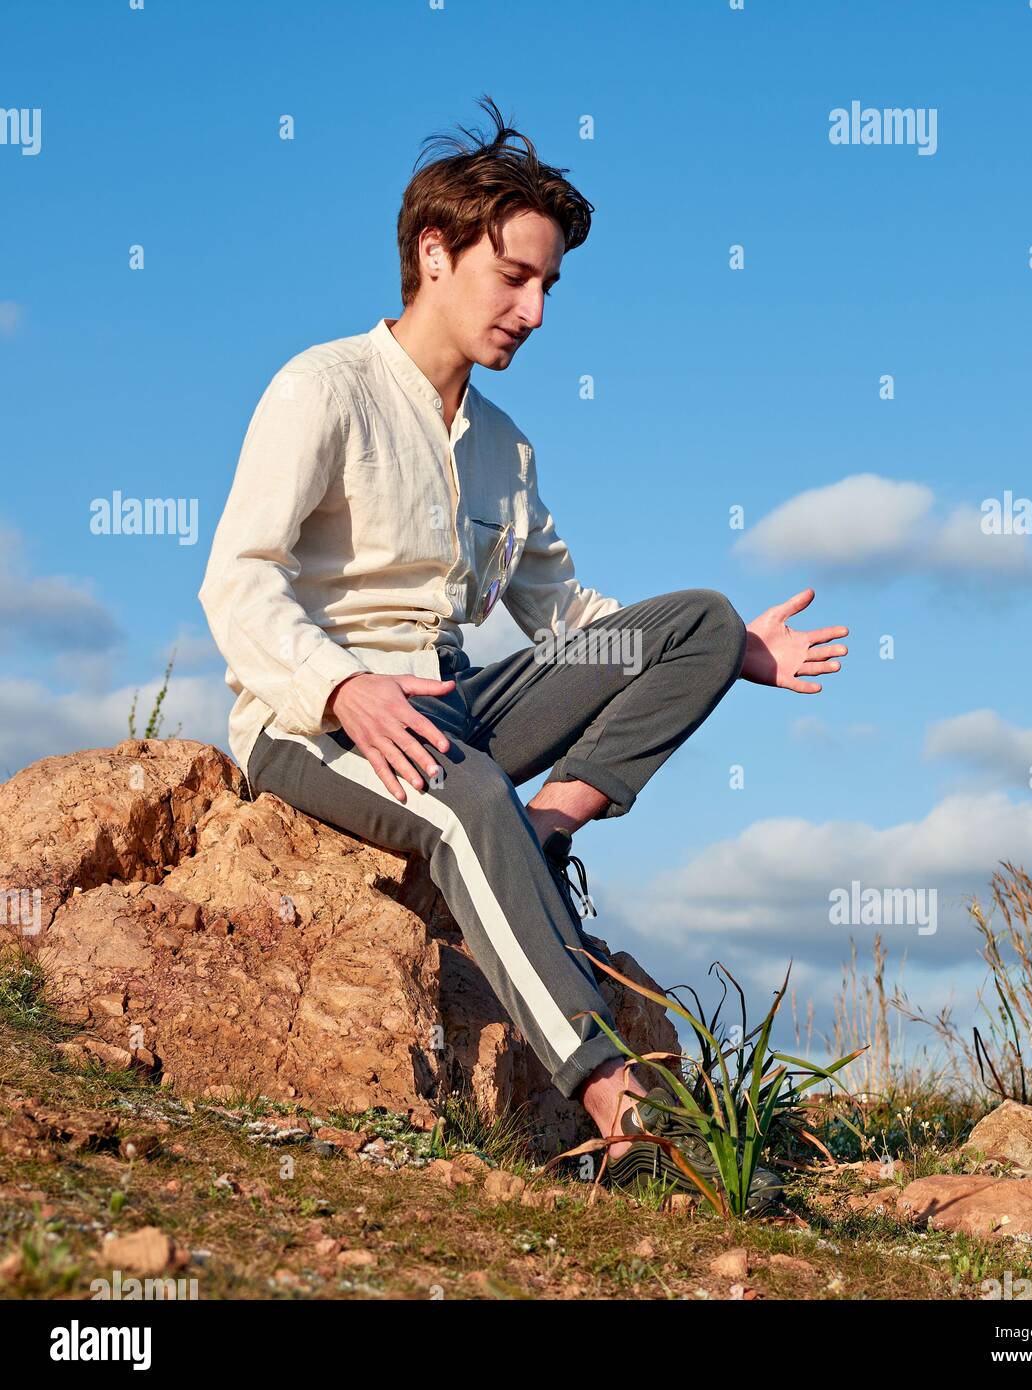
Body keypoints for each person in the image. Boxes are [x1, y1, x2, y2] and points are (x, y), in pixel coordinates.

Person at [197, 95, 849, 1208]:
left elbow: (562, 613)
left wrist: (727, 651)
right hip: (316, 715)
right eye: (516, 277)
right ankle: (614, 1097)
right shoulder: (323, 388)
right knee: (466, 799)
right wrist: (343, 686)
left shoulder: (504, 446)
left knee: (693, 614)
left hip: (459, 698)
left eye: (549, 286)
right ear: (434, 253)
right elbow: (238, 578)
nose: (537, 310)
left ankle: (547, 827)